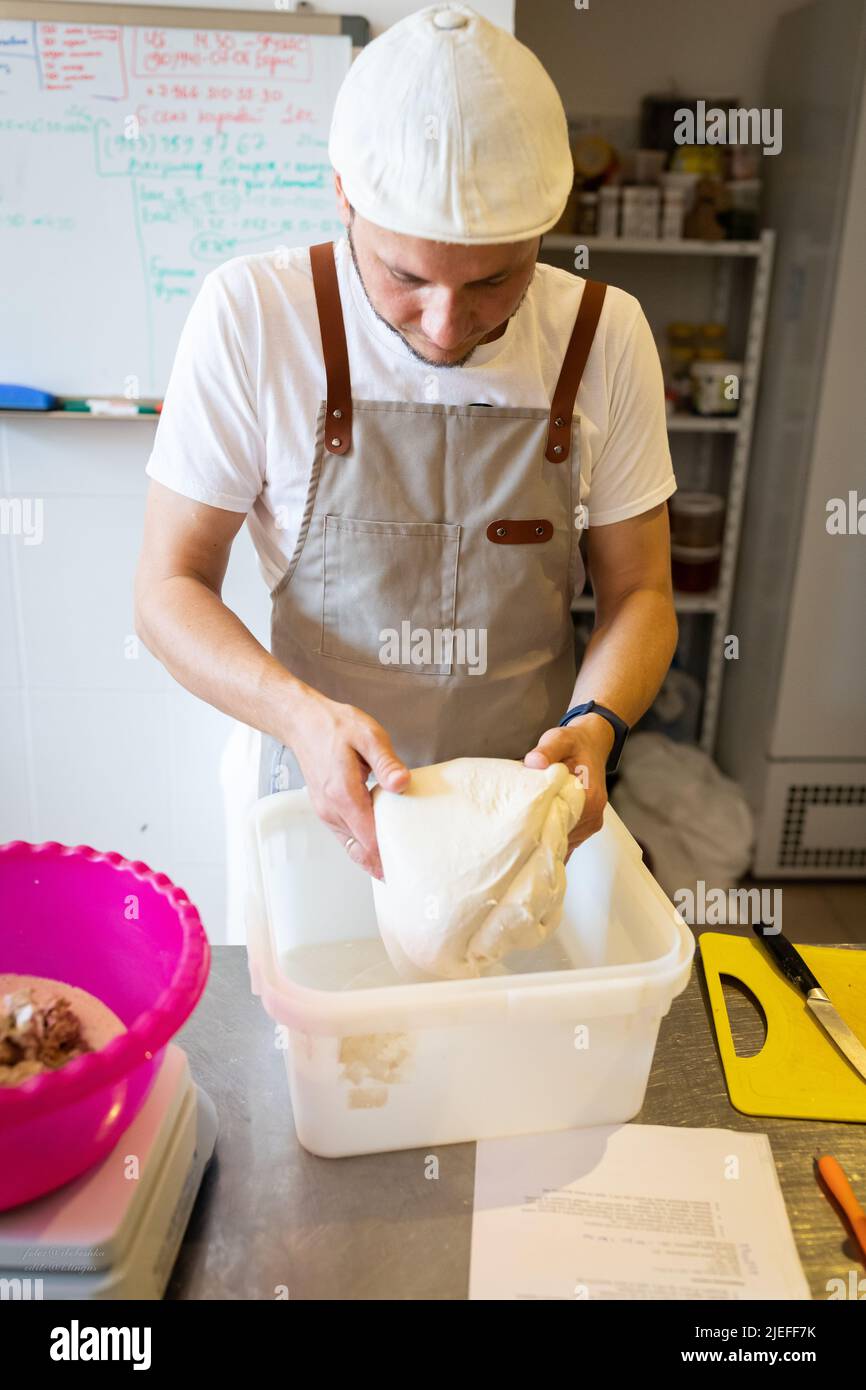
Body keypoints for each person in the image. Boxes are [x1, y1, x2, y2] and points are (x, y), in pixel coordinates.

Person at [134, 4, 678, 883]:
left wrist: (598, 725)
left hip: (521, 816)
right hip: (319, 810)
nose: (446, 321)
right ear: (343, 193)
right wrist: (303, 719)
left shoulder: (603, 334)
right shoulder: (255, 316)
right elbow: (167, 588)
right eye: (405, 276)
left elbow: (642, 591)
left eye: (495, 278)